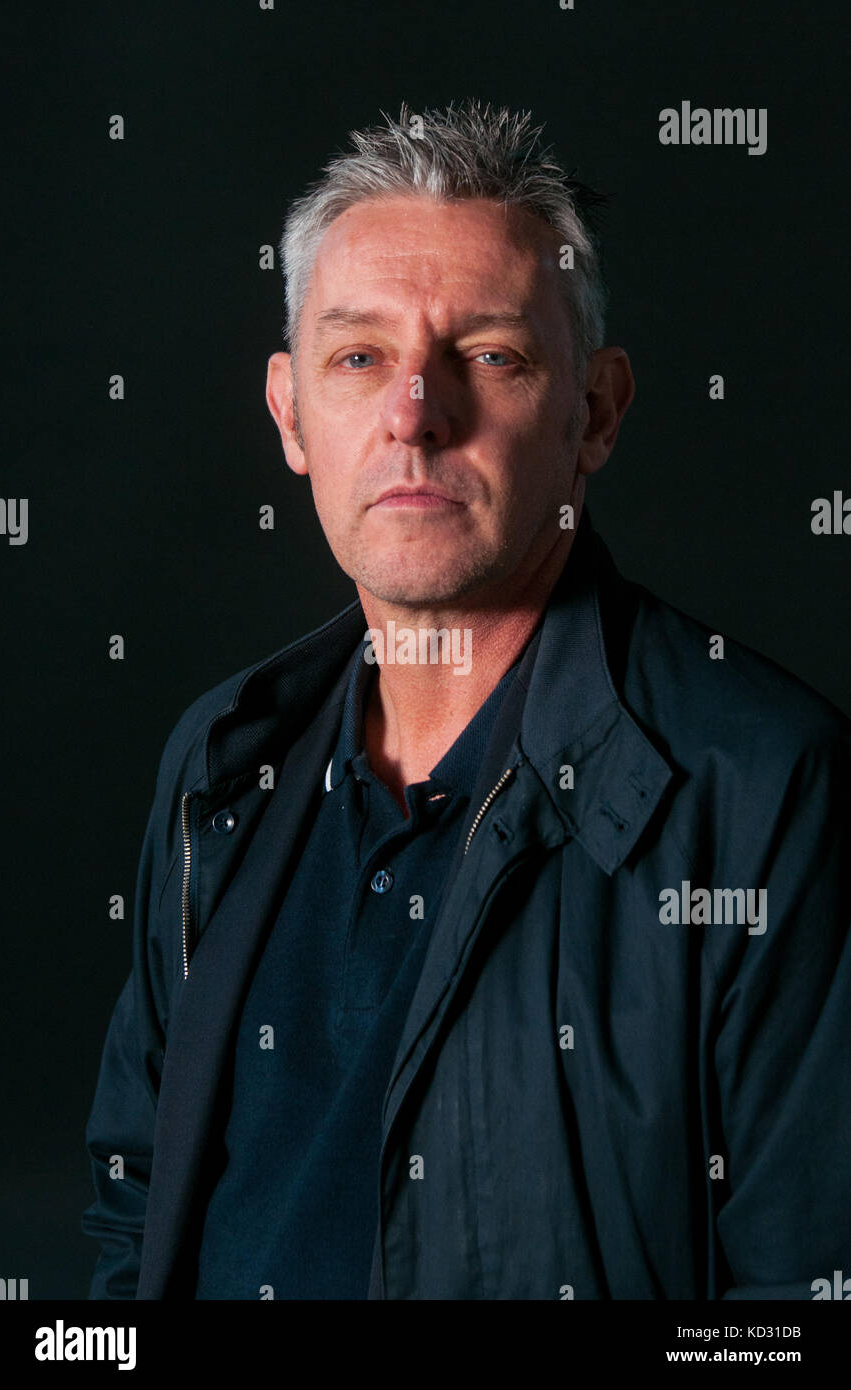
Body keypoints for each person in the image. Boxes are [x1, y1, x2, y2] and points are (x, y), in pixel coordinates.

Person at [81, 99, 851, 1300]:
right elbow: (135, 1212)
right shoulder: (222, 763)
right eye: (358, 357)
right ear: (291, 415)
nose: (414, 413)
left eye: (488, 355)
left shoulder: (765, 792)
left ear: (592, 412)